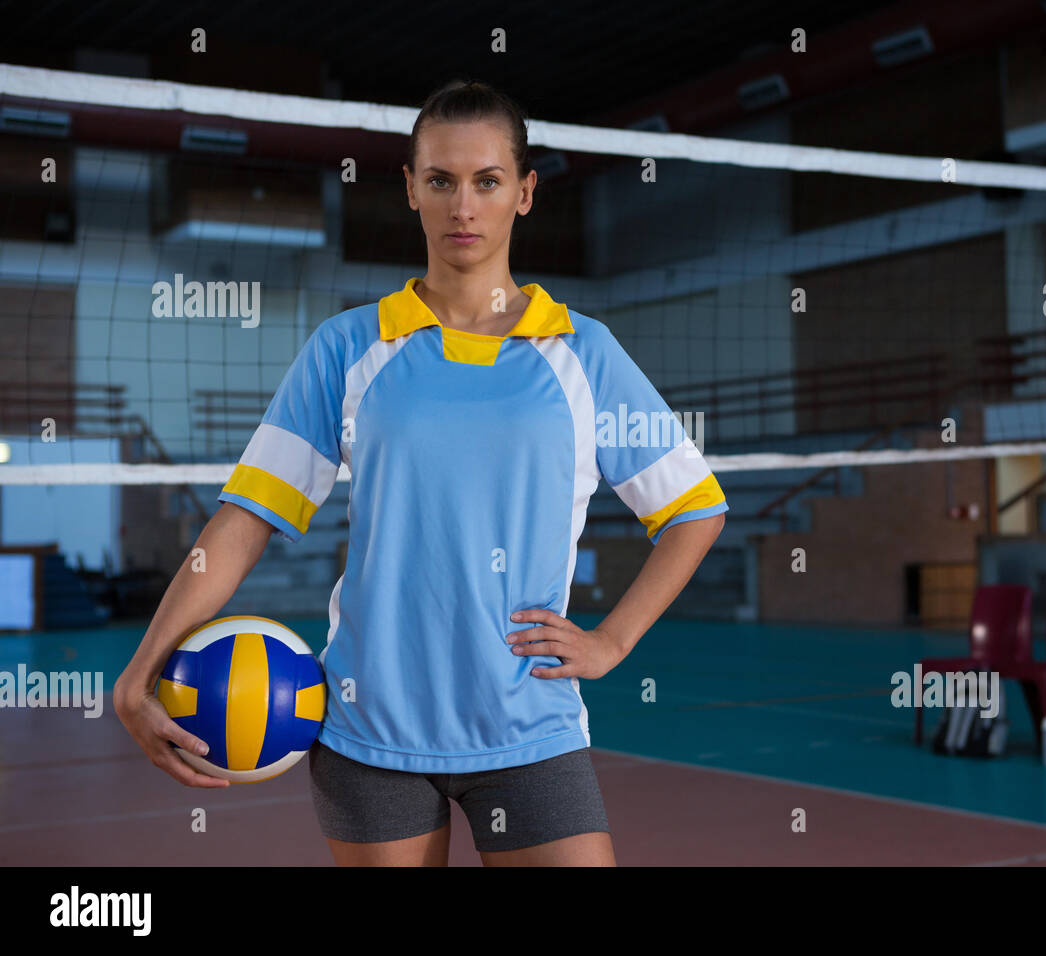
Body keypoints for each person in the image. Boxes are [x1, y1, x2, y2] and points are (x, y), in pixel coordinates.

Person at [113, 79, 728, 867]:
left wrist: (611, 640)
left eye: (487, 181)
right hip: (369, 731)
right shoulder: (346, 349)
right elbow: (243, 522)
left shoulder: (585, 353)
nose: (462, 206)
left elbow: (694, 510)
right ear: (410, 188)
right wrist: (143, 667)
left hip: (528, 725)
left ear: (525, 192)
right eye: (440, 180)